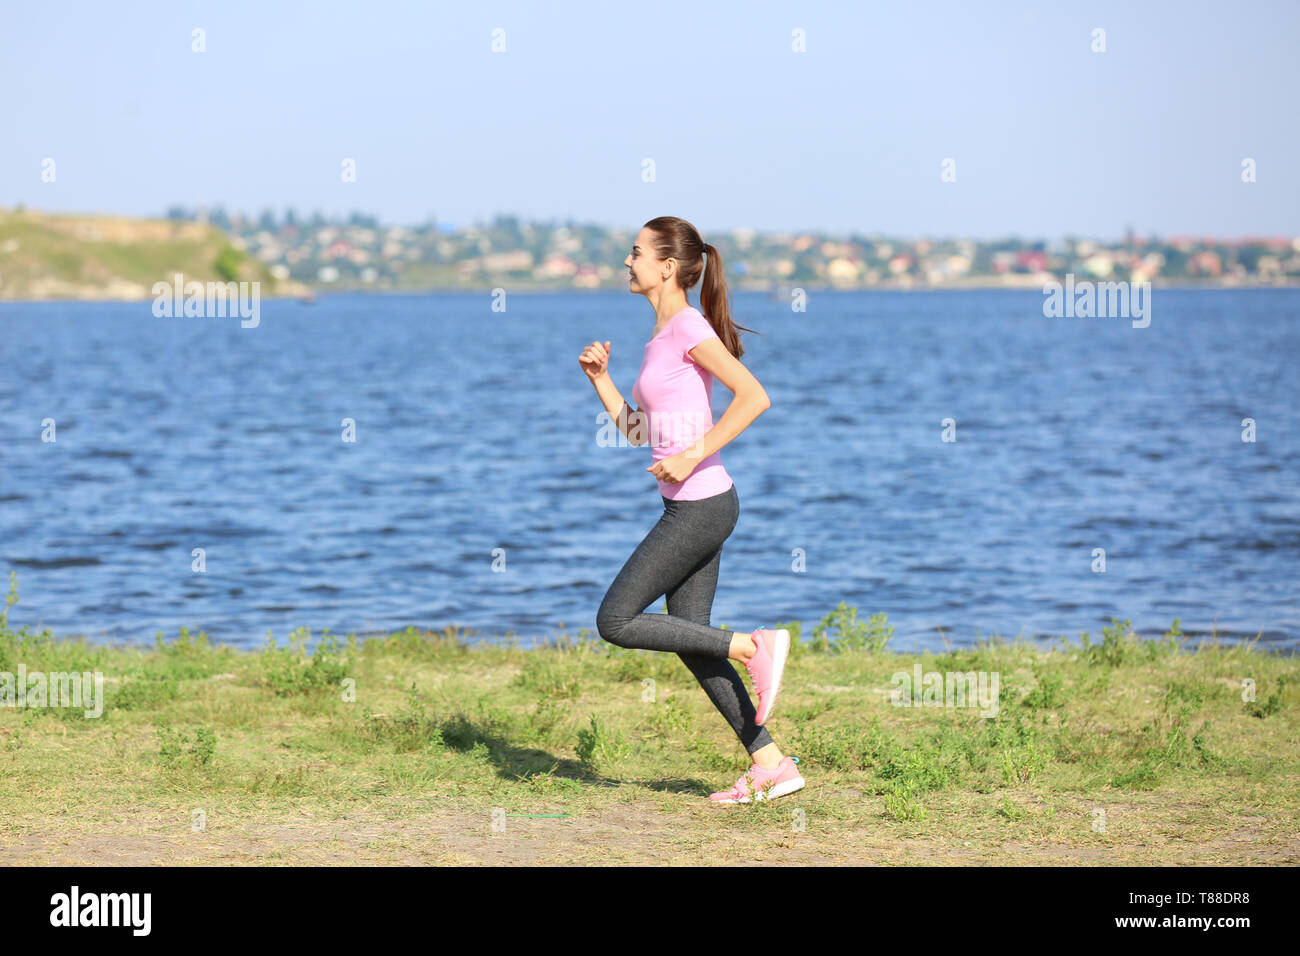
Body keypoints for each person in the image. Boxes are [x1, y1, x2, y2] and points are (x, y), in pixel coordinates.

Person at [578, 215, 805, 804]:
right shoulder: (661, 337)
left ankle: (754, 647)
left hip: (700, 508)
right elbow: (637, 433)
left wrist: (693, 455)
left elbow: (754, 396)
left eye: (635, 253)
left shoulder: (687, 327)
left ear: (667, 267)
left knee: (616, 621)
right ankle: (772, 765)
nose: (627, 263)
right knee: (690, 638)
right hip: (697, 505)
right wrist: (601, 380)